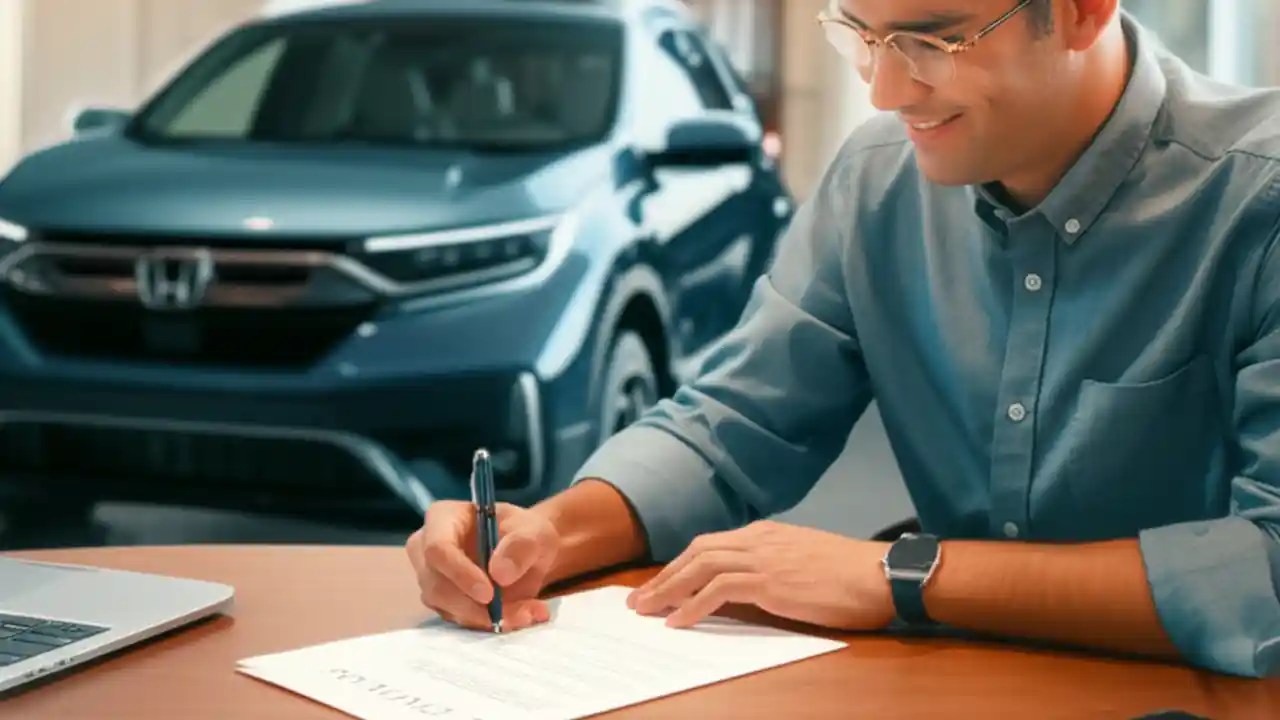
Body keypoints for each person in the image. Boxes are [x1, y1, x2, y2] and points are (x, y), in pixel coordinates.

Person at [406, 0, 1280, 678]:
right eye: (861, 35)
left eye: (933, 42)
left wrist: (903, 574)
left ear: (1085, 11)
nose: (884, 91)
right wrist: (546, 534)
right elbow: (734, 423)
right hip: (944, 687)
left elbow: (1266, 570)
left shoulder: (1258, 200)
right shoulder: (876, 177)